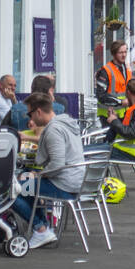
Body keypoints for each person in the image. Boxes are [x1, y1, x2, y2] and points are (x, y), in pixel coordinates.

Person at [12, 92, 86, 250]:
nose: (29, 119)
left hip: (64, 184)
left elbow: (57, 163)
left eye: (30, 113)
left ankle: (40, 228)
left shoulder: (53, 130)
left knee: (12, 189)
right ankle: (42, 228)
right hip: (75, 181)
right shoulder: (66, 123)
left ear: (38, 112)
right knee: (27, 183)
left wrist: (38, 174)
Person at [95, 40, 130, 126]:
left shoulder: (126, 68)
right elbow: (101, 95)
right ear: (114, 54)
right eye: (120, 52)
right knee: (111, 139)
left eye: (125, 52)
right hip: (108, 114)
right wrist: (120, 101)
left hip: (124, 113)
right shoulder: (105, 71)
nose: (124, 55)